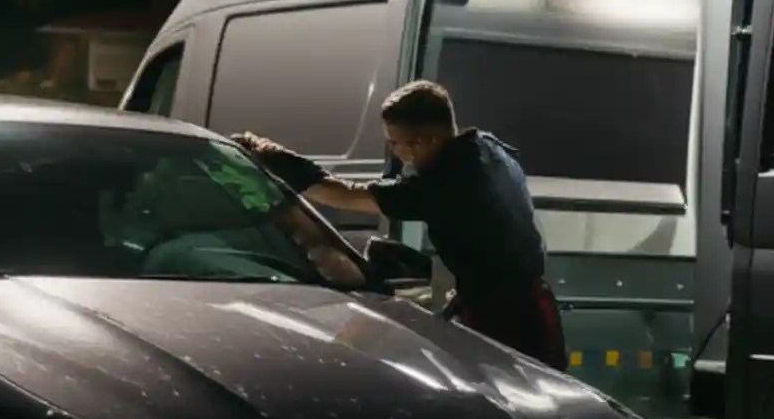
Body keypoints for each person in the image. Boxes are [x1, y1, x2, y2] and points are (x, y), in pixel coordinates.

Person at [231, 80, 567, 371]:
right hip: (533, 307)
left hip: (503, 323)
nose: (396, 152)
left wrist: (270, 155)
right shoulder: (488, 150)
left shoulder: (444, 184)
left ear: (424, 141)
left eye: (395, 143)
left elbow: (341, 194)